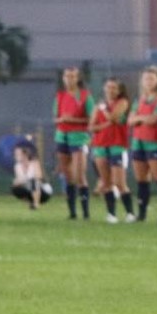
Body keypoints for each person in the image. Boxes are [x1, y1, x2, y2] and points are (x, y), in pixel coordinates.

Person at [127, 66, 157, 223]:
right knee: (141, 180)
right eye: (146, 78)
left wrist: (140, 118)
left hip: (155, 143)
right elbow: (130, 120)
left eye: (152, 78)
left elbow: (154, 120)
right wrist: (143, 118)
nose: (148, 81)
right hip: (138, 142)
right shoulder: (138, 100)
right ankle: (142, 213)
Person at [88, 77, 133, 222]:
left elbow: (113, 118)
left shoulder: (122, 103)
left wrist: (105, 110)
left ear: (119, 90)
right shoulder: (98, 106)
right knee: (106, 182)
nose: (110, 90)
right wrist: (103, 126)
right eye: (108, 87)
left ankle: (130, 213)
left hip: (117, 145)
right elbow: (91, 126)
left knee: (120, 182)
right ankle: (111, 214)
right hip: (100, 145)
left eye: (114, 88)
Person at [52, 67, 93, 221]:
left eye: (72, 76)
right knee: (68, 175)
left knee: (79, 174)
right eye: (67, 76)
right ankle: (72, 212)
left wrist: (71, 120)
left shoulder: (84, 96)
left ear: (78, 78)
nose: (69, 79)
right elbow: (56, 118)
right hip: (62, 137)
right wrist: (62, 120)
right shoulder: (60, 96)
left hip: (79, 138)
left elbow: (91, 119)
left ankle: (86, 212)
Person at [11, 145, 43, 209]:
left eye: (18, 154)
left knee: (34, 182)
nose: (16, 156)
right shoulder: (17, 166)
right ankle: (30, 203)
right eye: (15, 154)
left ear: (25, 155)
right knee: (15, 187)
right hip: (26, 185)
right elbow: (19, 178)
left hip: (39, 186)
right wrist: (16, 181)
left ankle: (36, 203)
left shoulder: (34, 163)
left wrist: (27, 180)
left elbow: (39, 176)